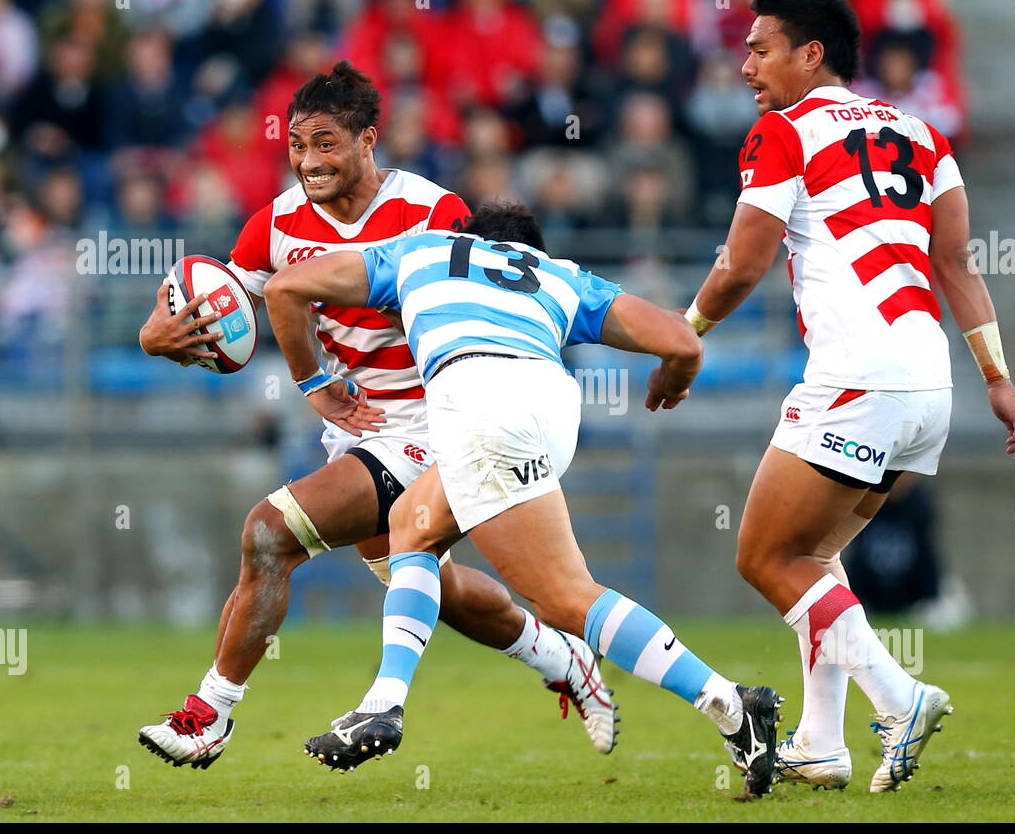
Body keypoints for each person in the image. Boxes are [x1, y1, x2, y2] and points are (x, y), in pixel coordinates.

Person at [134, 63, 615, 770]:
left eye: (325, 144)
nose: (308, 161)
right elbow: (217, 304)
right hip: (357, 433)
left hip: (431, 422)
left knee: (269, 534)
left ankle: (210, 715)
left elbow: (486, 308)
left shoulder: (431, 211)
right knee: (431, 586)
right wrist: (159, 335)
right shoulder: (276, 221)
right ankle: (563, 657)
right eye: (297, 145)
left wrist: (313, 382)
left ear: (368, 140)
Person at [263, 202, 786, 798]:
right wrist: (674, 379)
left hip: (477, 395)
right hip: (550, 400)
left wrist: (315, 385)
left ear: (469, 237)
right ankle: (384, 701)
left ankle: (731, 706)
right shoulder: (561, 275)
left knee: (567, 596)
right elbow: (680, 341)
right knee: (412, 525)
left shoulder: (424, 249)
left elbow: (285, 288)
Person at [678, 0, 1015, 793]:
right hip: (928, 389)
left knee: (765, 556)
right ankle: (819, 742)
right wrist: (1001, 381)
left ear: (812, 54)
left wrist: (682, 336)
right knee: (816, 557)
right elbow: (958, 266)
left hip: (858, 379)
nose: (744, 66)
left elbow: (742, 263)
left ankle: (900, 697)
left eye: (759, 49)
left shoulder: (783, 133)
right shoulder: (925, 133)